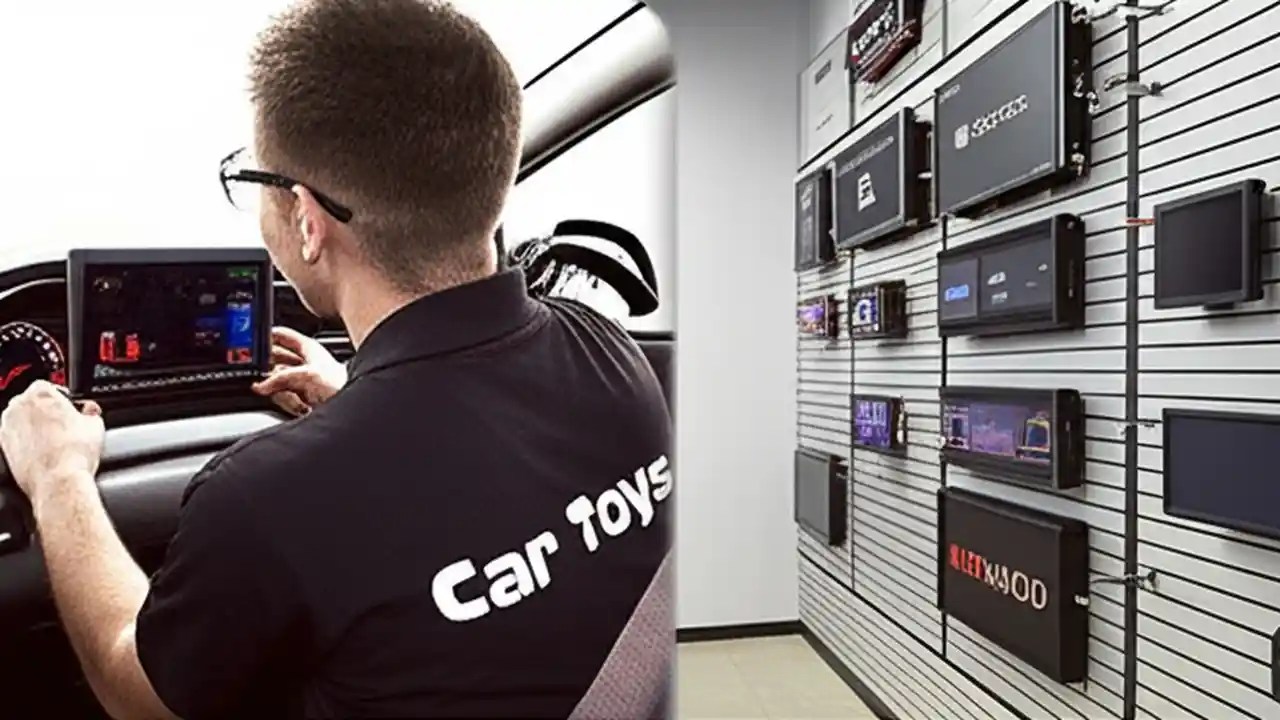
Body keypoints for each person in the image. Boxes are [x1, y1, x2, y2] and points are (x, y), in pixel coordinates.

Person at [0, 0, 672, 717]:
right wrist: (360, 398)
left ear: (308, 222)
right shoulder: (608, 353)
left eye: (253, 179)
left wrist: (58, 475)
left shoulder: (265, 497)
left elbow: (137, 692)